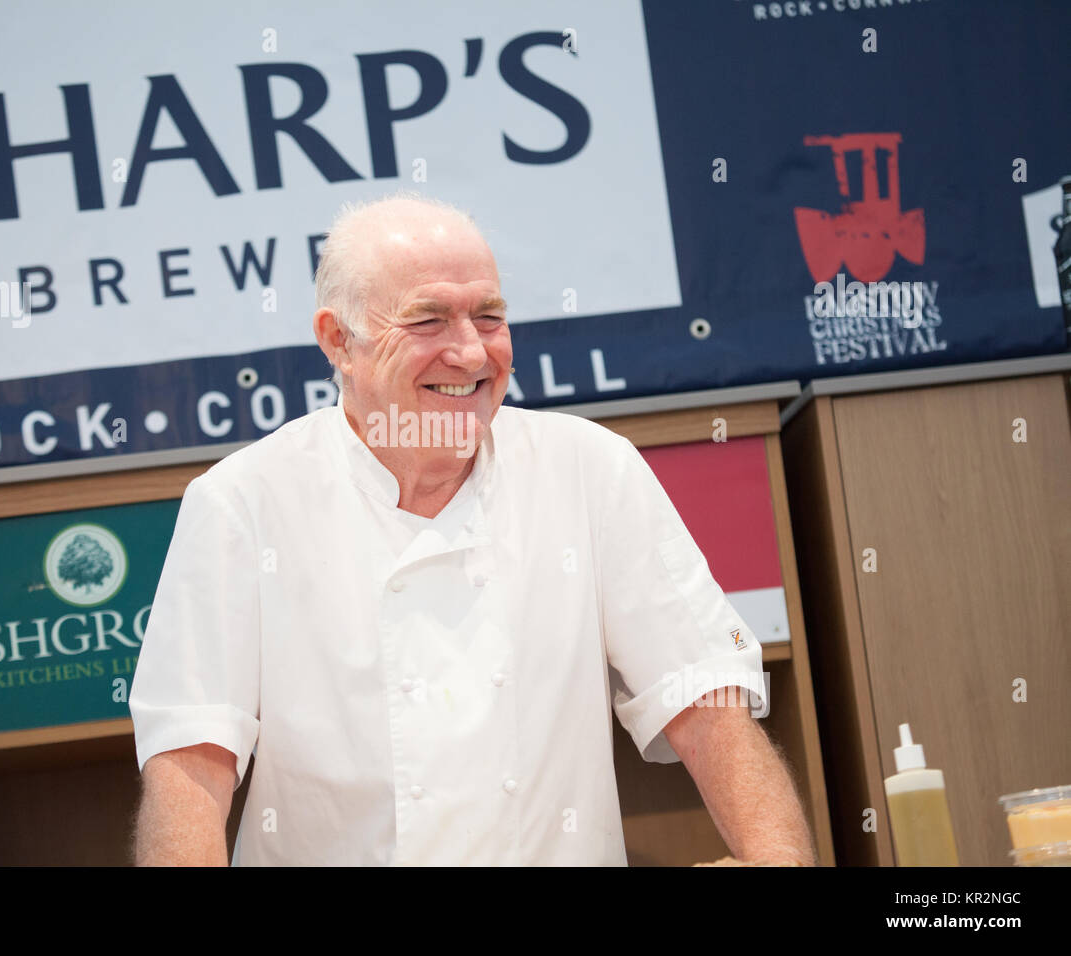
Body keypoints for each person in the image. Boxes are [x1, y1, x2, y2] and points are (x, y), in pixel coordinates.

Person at [129, 192, 817, 866]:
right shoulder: (242, 504)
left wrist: (774, 859)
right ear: (339, 339)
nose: (470, 352)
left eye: (488, 316)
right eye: (428, 320)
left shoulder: (588, 468)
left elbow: (705, 696)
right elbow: (191, 767)